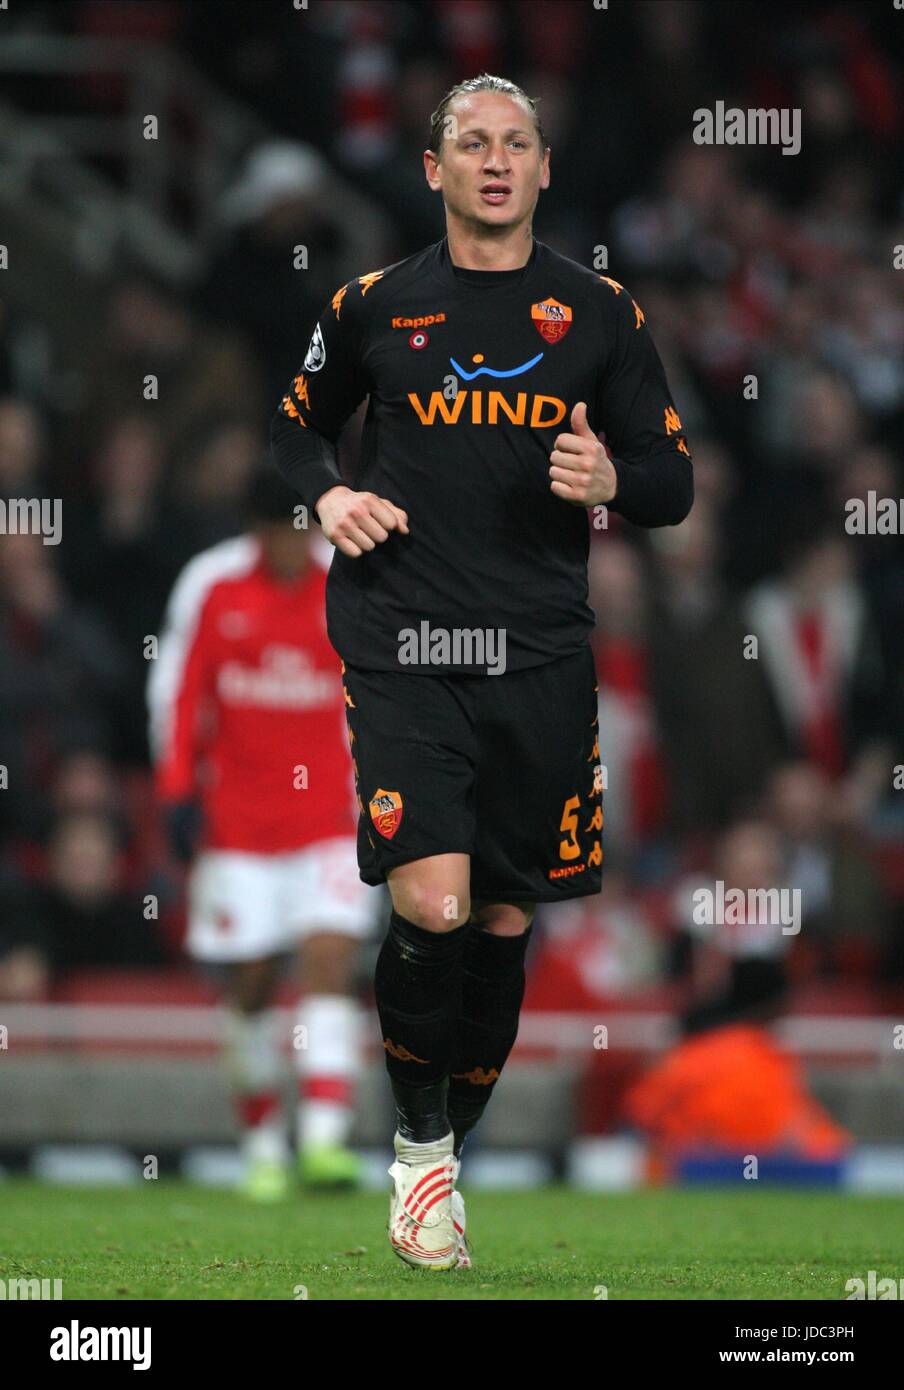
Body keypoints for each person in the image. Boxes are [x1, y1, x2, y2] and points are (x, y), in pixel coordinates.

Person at [272, 73, 693, 1268]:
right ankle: (415, 1153)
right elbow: (287, 429)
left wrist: (614, 481)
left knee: (503, 919)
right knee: (433, 902)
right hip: (402, 644)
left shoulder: (599, 312)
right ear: (434, 168)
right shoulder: (371, 305)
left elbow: (673, 480)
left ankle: (444, 1149)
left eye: (516, 143)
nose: (496, 160)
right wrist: (332, 493)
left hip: (542, 657)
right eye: (472, 142)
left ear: (545, 169)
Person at [148, 470, 374, 1200]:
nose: (293, 544)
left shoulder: (347, 584)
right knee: (249, 985)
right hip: (238, 827)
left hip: (327, 824)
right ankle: (262, 1141)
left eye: (303, 529)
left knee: (329, 957)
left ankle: (323, 1143)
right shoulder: (212, 588)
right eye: (282, 530)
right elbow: (181, 692)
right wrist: (176, 789)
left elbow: (379, 688)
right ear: (256, 530)